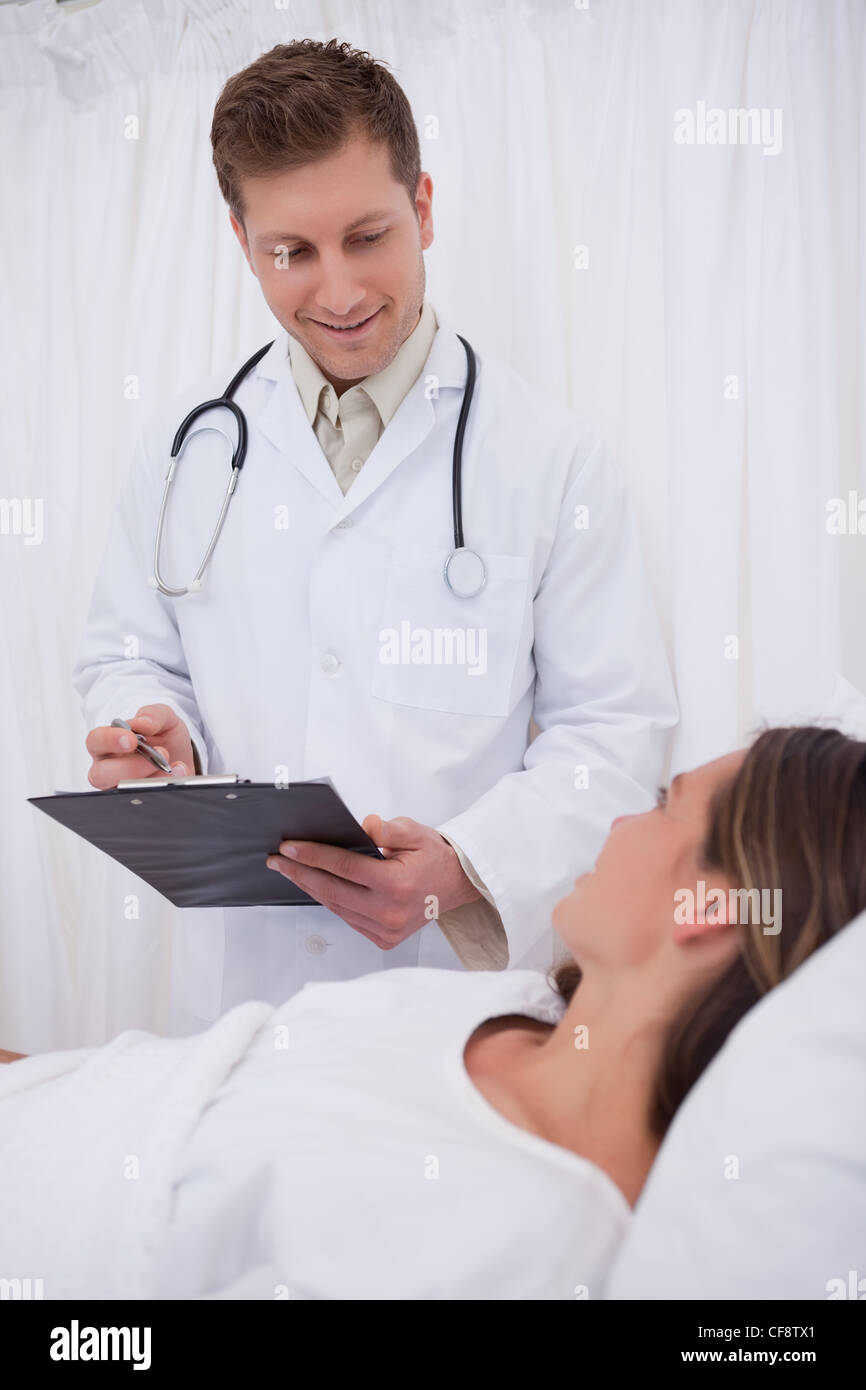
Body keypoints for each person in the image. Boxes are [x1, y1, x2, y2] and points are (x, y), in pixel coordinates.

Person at [72, 38, 677, 1031]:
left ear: (424, 206)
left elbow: (612, 734)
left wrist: (467, 865)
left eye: (368, 236)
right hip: (238, 1006)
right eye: (291, 252)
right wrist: (147, 730)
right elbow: (126, 652)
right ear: (241, 240)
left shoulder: (551, 458)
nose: (340, 291)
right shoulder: (183, 450)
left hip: (448, 1014)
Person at [1, 726, 860, 1300]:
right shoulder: (501, 1005)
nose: (624, 817)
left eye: (667, 804)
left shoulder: (525, 1236)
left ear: (709, 909)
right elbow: (134, 1106)